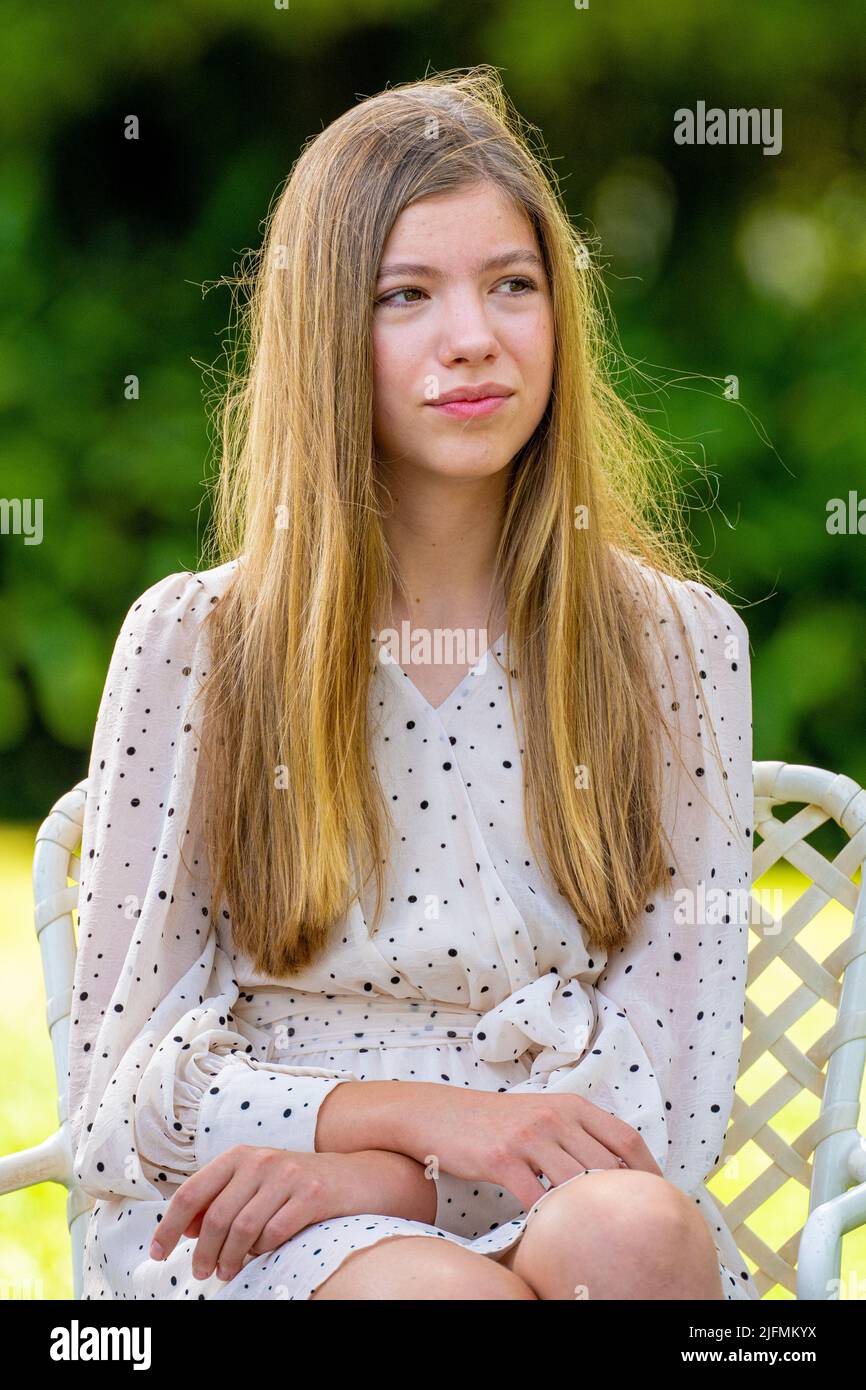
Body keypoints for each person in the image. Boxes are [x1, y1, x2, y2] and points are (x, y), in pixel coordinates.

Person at [67, 66, 758, 1301]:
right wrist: (385, 1123)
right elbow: (121, 1099)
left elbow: (671, 1087)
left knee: (640, 1236)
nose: (474, 338)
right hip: (259, 1192)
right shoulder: (203, 641)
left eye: (511, 285)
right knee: (432, 1296)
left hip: (554, 1172)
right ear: (326, 332)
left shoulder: (671, 643)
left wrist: (409, 1182)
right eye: (405, 295)